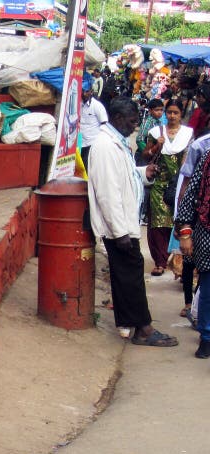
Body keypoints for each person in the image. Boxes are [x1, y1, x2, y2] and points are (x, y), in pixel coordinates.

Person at [87, 96, 179, 347]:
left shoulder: (116, 143)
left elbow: (123, 178)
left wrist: (143, 173)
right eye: (131, 121)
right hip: (119, 227)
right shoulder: (105, 146)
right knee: (131, 276)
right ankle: (143, 329)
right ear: (117, 119)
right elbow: (107, 194)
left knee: (127, 276)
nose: (133, 125)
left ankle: (133, 324)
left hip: (125, 223)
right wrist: (120, 232)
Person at [140, 99, 193, 276]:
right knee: (157, 223)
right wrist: (158, 146)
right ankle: (160, 261)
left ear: (181, 114)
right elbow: (146, 154)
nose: (171, 116)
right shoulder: (156, 132)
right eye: (169, 112)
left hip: (179, 186)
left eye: (175, 113)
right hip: (159, 184)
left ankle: (176, 262)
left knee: (177, 221)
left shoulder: (188, 134)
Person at [174, 147, 210, 358]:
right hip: (207, 231)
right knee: (208, 287)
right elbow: (191, 195)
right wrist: (186, 233)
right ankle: (206, 338)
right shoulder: (207, 157)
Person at [80, 88, 108, 172]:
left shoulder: (97, 106)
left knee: (87, 167)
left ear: (91, 92)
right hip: (80, 141)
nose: (84, 94)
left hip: (91, 142)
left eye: (87, 91)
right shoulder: (79, 104)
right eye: (83, 91)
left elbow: (104, 123)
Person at [135, 98, 165, 164]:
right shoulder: (148, 122)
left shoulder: (159, 123)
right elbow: (139, 139)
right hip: (144, 157)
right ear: (150, 110)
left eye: (161, 110)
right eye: (156, 110)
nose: (160, 112)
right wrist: (147, 152)